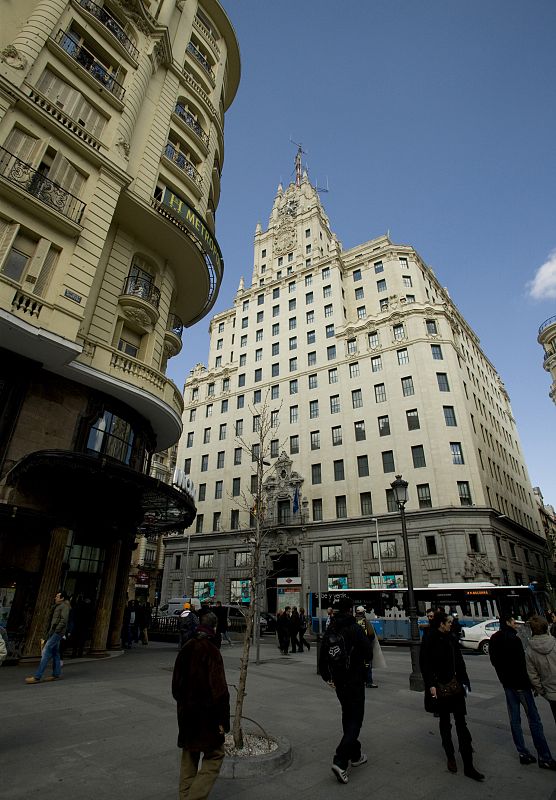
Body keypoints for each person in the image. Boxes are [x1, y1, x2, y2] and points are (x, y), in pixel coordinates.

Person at [172, 610, 230, 799]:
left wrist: (184, 704)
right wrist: (223, 721)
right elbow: (220, 691)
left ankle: (184, 796)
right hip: (207, 716)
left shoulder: (186, 647)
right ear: (214, 627)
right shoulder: (212, 651)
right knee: (216, 755)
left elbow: (176, 687)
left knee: (189, 756)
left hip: (186, 714)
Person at [420, 611, 484, 780]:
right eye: (448, 622)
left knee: (461, 723)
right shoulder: (430, 638)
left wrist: (465, 681)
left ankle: (468, 764)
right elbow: (425, 664)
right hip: (440, 687)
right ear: (441, 623)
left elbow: (460, 662)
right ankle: (450, 756)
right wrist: (431, 684)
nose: (451, 624)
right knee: (445, 722)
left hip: (456, 687)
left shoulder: (451, 638)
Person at [489, 614, 556, 769]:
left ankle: (522, 752)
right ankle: (544, 756)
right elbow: (523, 665)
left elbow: (494, 661)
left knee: (515, 719)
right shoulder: (515, 639)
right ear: (507, 622)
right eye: (513, 621)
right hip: (521, 684)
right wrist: (534, 686)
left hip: (507, 684)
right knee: (534, 719)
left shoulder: (495, 638)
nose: (516, 624)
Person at [319, 597, 372, 784]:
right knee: (356, 719)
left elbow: (323, 654)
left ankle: (355, 755)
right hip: (355, 679)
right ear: (350, 610)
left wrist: (327, 676)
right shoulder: (355, 628)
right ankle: (340, 760)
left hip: (339, 680)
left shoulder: (331, 628)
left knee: (347, 714)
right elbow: (368, 652)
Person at [25, 591, 71, 684]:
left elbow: (64, 620)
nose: (55, 598)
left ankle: (37, 676)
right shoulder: (58, 606)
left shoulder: (64, 606)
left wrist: (56, 630)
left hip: (57, 633)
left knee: (46, 651)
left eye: (57, 596)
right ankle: (56, 674)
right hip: (54, 632)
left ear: (62, 598)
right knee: (55, 652)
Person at [526, 614, 556, 724]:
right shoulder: (554, 643)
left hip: (550, 692)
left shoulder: (529, 651)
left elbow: (533, 675)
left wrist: (542, 691)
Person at [354, 606, 377, 688]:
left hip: (355, 648)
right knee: (367, 665)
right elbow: (371, 634)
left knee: (357, 665)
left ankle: (358, 681)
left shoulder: (353, 621)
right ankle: (369, 682)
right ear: (363, 612)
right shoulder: (366, 622)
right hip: (365, 648)